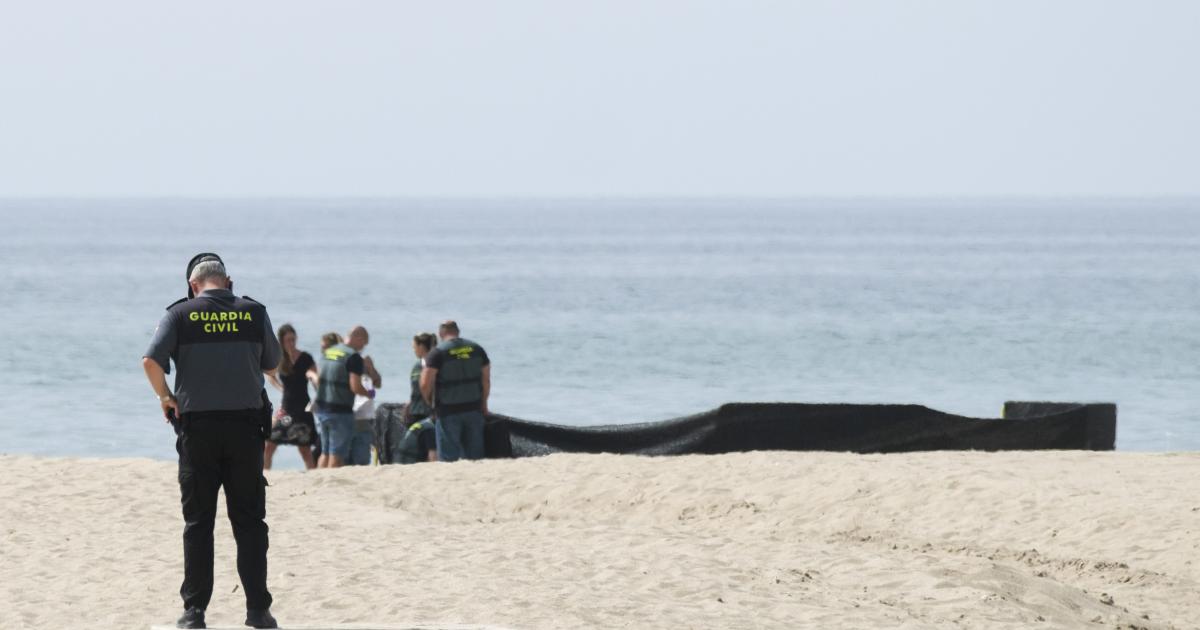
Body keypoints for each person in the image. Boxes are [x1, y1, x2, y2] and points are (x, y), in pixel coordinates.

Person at [141, 253, 280, 629]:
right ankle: (257, 610)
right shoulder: (253, 312)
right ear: (228, 281)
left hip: (198, 432)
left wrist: (165, 398)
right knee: (250, 522)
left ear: (192, 285)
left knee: (199, 522)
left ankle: (194, 611)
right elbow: (272, 364)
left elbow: (150, 362)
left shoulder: (179, 314)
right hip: (245, 432)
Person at [420, 320, 490, 462]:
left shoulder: (437, 353)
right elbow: (486, 381)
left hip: (448, 411)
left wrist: (429, 401)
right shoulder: (477, 349)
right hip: (473, 408)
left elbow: (424, 383)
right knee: (475, 458)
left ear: (441, 334)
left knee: (448, 459)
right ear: (458, 331)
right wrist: (484, 404)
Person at [314, 330, 373, 468]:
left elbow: (319, 379)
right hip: (340, 411)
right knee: (337, 454)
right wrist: (369, 394)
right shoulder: (353, 357)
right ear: (358, 338)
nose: (363, 347)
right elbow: (355, 386)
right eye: (364, 343)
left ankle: (320, 481)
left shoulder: (328, 352)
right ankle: (331, 484)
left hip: (322, 408)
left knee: (325, 452)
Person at [264, 324, 319, 470]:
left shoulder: (305, 357)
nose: (291, 343)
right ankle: (265, 476)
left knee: (305, 449)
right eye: (288, 340)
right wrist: (280, 388)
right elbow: (270, 375)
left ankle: (313, 476)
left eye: (293, 339)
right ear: (281, 341)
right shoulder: (279, 358)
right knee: (270, 444)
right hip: (286, 409)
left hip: (303, 408)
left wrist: (317, 389)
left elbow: (314, 377)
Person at [397, 332, 438, 463]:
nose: (413, 349)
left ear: (421, 346)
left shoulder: (434, 365)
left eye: (414, 346)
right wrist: (409, 404)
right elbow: (416, 389)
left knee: (431, 448)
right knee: (416, 448)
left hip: (428, 413)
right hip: (414, 412)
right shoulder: (416, 366)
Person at [346, 326, 382, 466]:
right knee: (348, 457)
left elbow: (377, 384)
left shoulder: (363, 361)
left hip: (364, 417)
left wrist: (371, 368)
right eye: (364, 343)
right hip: (350, 414)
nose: (364, 347)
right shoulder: (348, 360)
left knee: (361, 458)